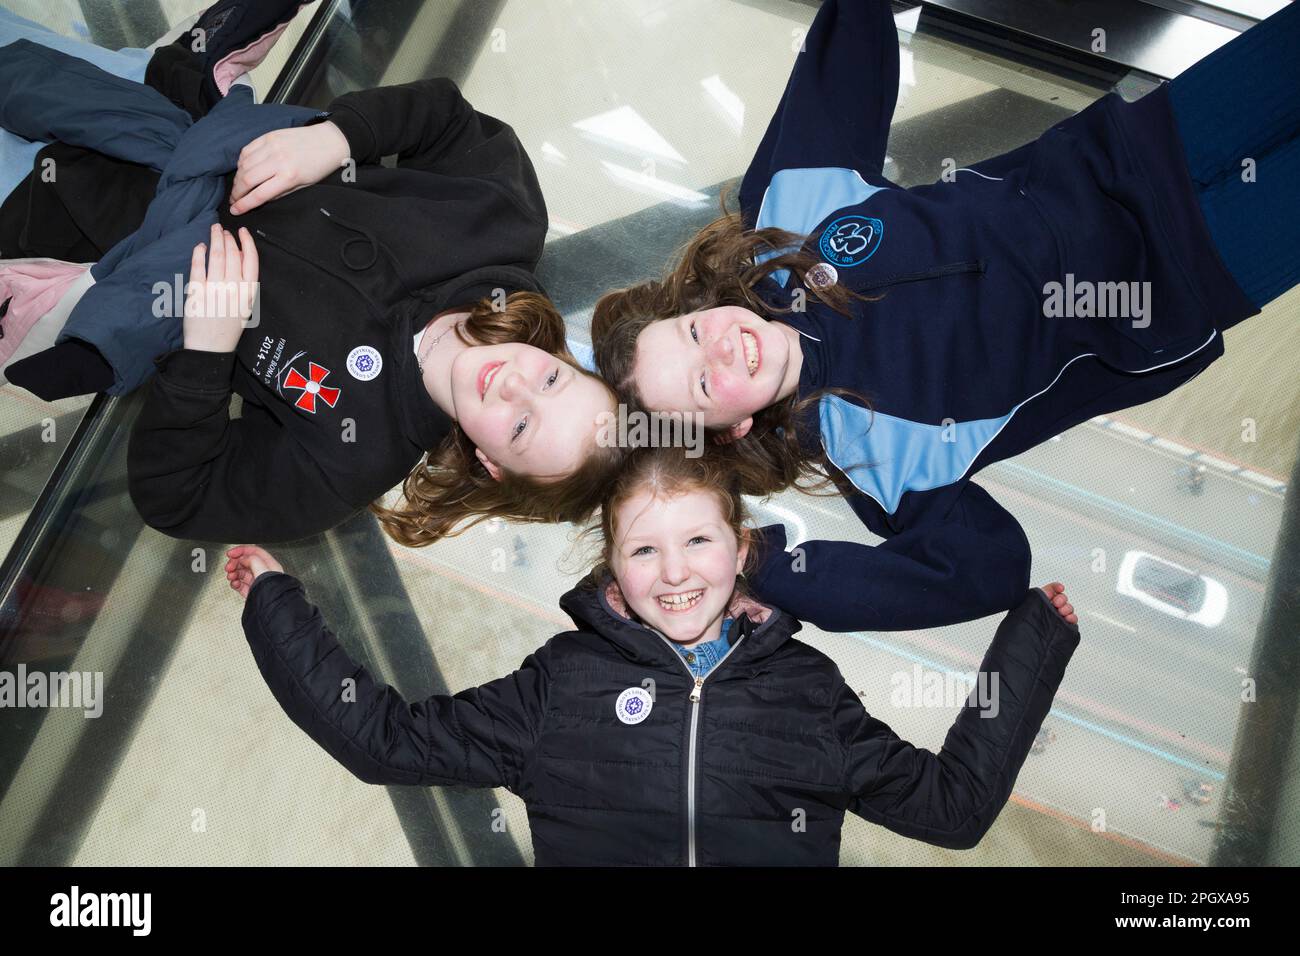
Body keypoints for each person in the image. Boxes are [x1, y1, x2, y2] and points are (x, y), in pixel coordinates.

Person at [590, 0, 1300, 633]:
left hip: (1141, 147)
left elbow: (849, 55)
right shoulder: (877, 459)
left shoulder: (783, 219)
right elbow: (987, 568)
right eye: (703, 386)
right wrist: (764, 566)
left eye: (690, 334)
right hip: (1197, 272)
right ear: (735, 427)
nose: (719, 350)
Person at [229, 444, 1080, 866]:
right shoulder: (561, 687)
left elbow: (951, 809)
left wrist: (1033, 641)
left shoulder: (806, 690)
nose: (674, 573)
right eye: (644, 551)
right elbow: (386, 743)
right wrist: (275, 602)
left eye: (697, 540)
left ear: (740, 547)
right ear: (611, 565)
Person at [0, 24, 626, 545]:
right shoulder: (502, 231)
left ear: (490, 466)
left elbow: (176, 496)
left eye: (521, 428)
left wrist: (207, 353)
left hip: (66, 232)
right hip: (148, 115)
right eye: (553, 379)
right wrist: (337, 138)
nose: (516, 385)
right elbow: (449, 117)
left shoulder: (347, 464)